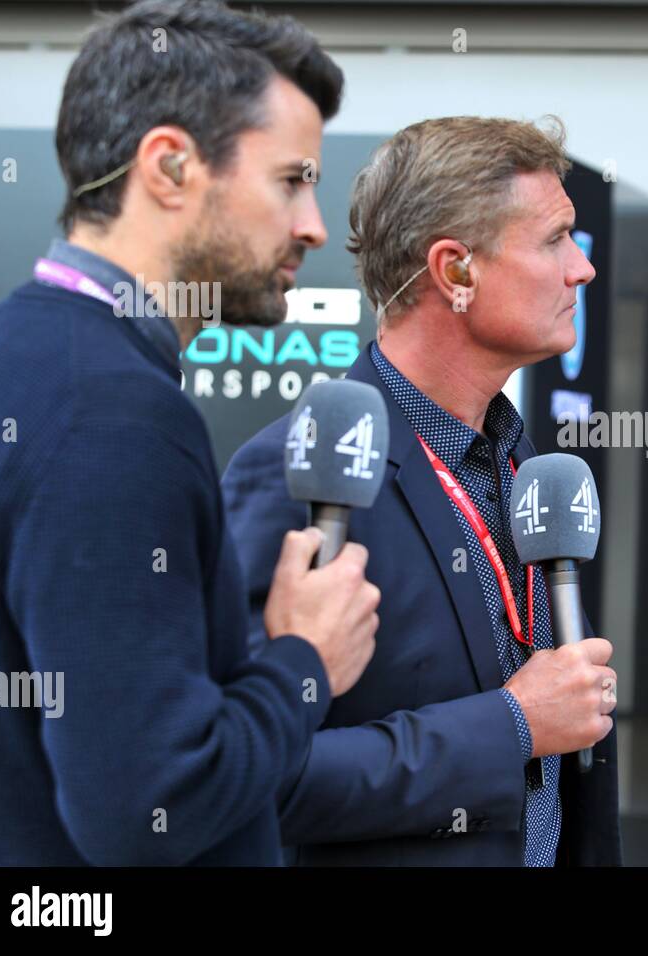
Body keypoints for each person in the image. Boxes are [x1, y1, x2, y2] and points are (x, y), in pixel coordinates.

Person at [0, 0, 378, 865]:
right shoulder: (108, 413)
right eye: (292, 179)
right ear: (170, 166)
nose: (314, 226)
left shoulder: (13, 348)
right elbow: (149, 804)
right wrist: (304, 662)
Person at [222, 116, 621, 865]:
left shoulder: (520, 462)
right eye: (553, 240)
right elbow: (257, 777)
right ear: (456, 271)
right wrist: (512, 723)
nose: (582, 269)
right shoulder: (298, 476)